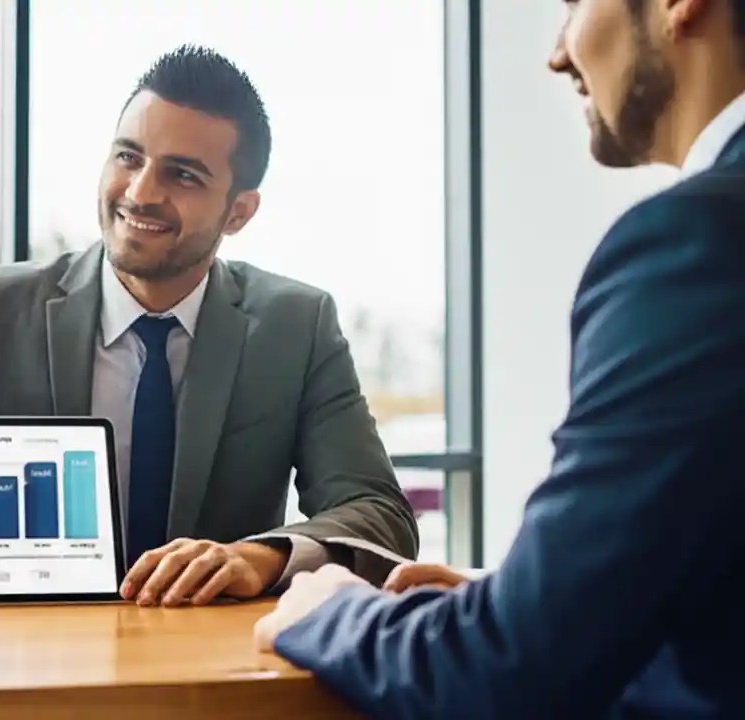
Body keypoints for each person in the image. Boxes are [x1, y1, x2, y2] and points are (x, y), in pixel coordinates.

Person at [0, 45, 419, 605]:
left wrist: (266, 558)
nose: (139, 192)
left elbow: (378, 514)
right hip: (17, 666)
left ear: (239, 212)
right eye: (128, 157)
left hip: (204, 672)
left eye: (182, 175)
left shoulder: (295, 327)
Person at [253, 0, 745, 716]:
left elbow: (507, 676)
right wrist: (529, 608)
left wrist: (328, 611)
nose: (559, 53)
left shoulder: (695, 242)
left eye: (575, 5)